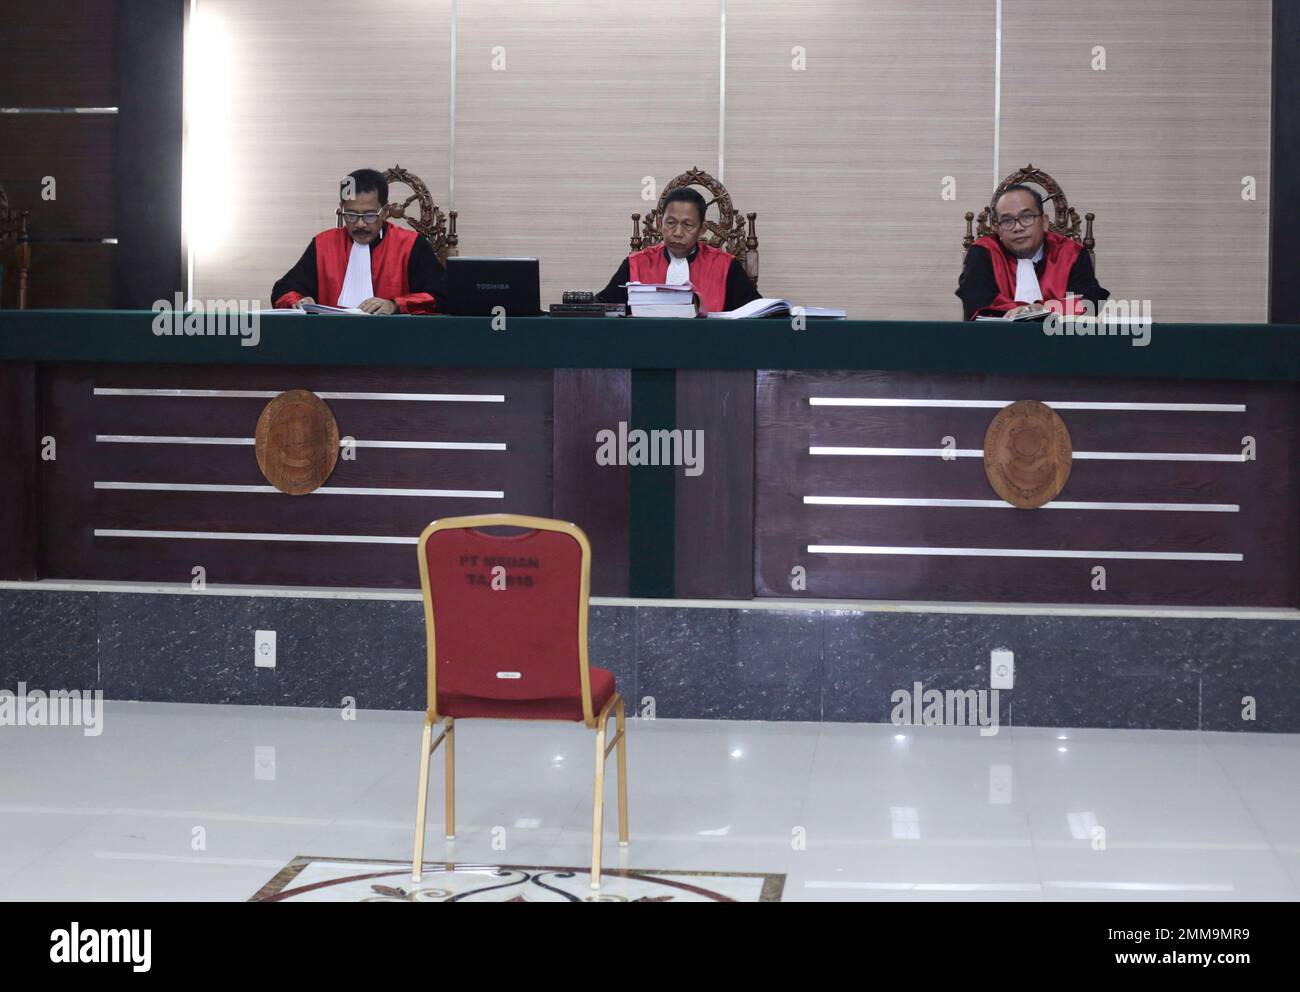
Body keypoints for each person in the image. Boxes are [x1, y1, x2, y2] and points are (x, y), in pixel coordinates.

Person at [272, 168, 445, 314]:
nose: (360, 224)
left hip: (396, 344)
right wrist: (298, 301)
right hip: (331, 342)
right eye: (351, 215)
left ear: (385, 212)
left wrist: (395, 305)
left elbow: (442, 297)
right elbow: (283, 290)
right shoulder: (323, 245)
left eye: (369, 215)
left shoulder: (411, 245)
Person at [595, 187, 759, 314]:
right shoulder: (635, 264)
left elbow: (757, 312)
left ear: (702, 229)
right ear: (660, 223)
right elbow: (604, 308)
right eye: (671, 223)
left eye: (687, 225)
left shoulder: (725, 266)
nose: (678, 232)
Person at [956, 184, 1107, 320]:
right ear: (999, 230)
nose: (1018, 227)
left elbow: (1089, 301)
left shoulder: (1070, 253)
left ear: (1045, 222)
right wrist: (1028, 312)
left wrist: (1042, 309)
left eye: (1026, 217)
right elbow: (976, 302)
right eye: (1007, 221)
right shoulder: (983, 252)